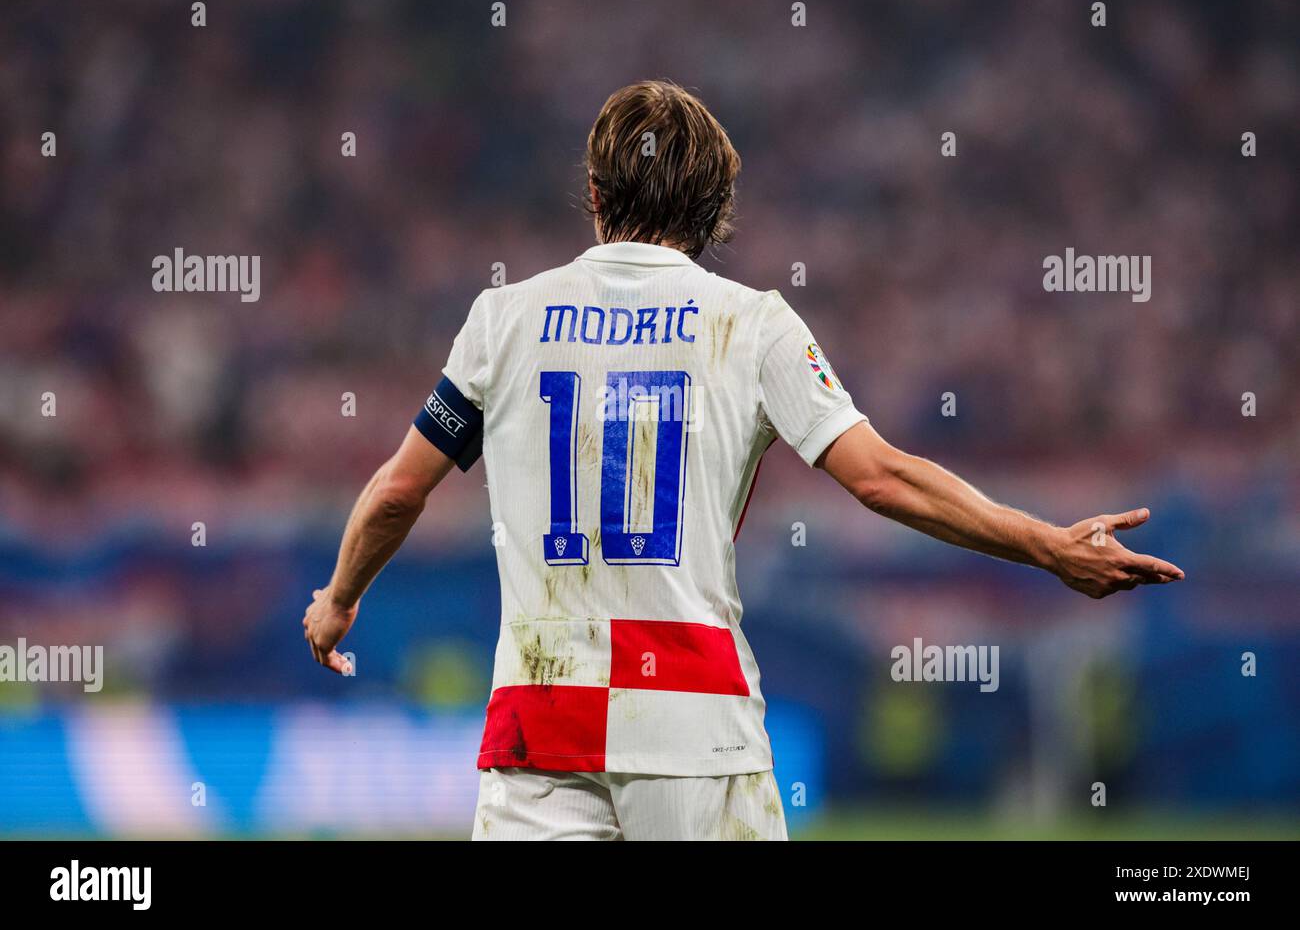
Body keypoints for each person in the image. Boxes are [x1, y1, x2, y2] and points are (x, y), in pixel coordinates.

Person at [302, 80, 1183, 840]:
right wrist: (1046, 546)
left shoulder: (503, 320)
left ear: (598, 195)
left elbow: (397, 491)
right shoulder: (751, 324)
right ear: (713, 211)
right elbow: (881, 477)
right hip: (692, 718)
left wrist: (340, 600)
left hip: (542, 723)